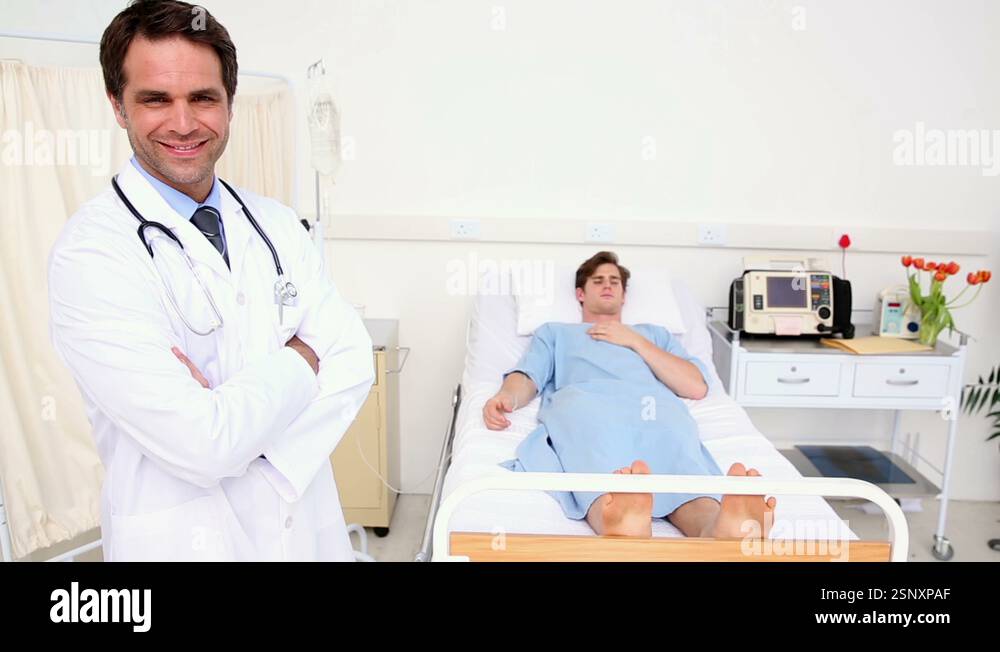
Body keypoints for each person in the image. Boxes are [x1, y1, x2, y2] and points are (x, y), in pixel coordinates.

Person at [47, 0, 373, 561]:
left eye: (203, 98)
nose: (182, 122)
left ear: (229, 103)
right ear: (118, 107)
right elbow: (202, 444)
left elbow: (352, 359)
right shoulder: (91, 254)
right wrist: (300, 358)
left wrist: (240, 435)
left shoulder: (275, 224)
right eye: (155, 99)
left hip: (305, 532)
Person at [483, 251, 776, 538]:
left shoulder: (654, 335)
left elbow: (695, 387)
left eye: (614, 281)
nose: (607, 285)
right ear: (580, 294)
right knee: (593, 441)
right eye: (597, 280)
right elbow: (528, 375)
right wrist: (507, 397)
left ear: (624, 296)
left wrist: (635, 341)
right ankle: (617, 518)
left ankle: (717, 527)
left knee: (677, 450)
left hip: (653, 407)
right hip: (586, 403)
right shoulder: (555, 333)